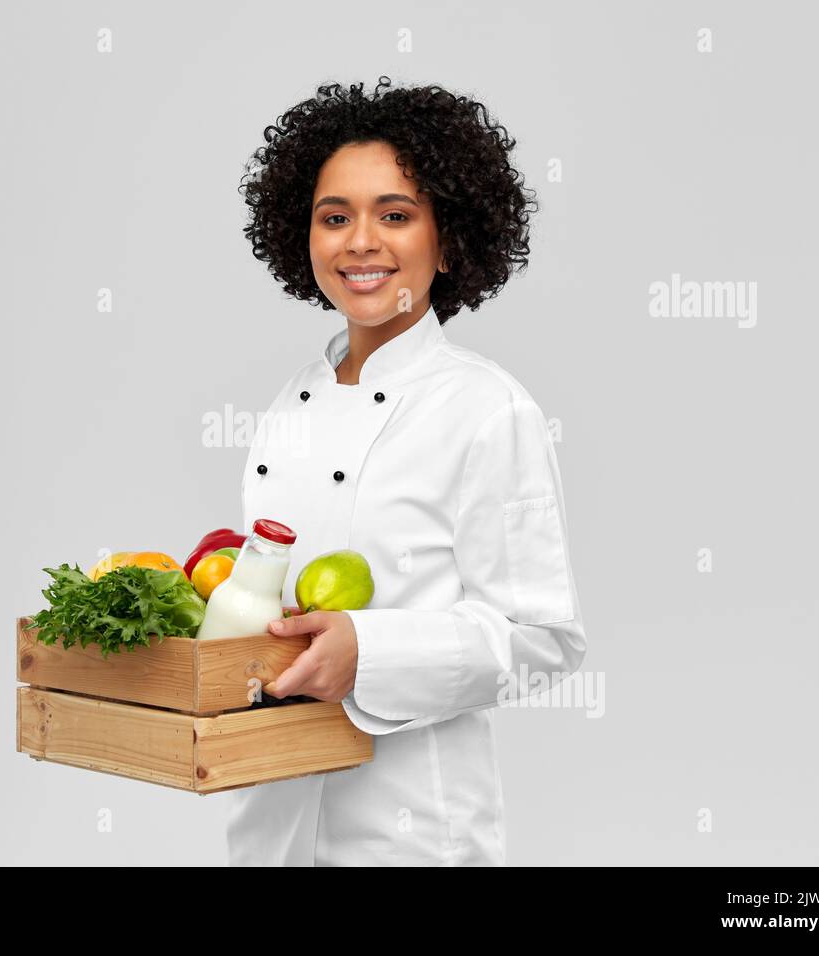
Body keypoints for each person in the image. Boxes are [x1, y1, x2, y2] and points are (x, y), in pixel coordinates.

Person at [225, 76, 587, 866]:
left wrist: (371, 652)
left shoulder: (487, 409)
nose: (361, 242)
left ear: (448, 240)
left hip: (413, 832)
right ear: (303, 237)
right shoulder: (288, 405)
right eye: (334, 217)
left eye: (395, 215)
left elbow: (542, 637)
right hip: (271, 820)